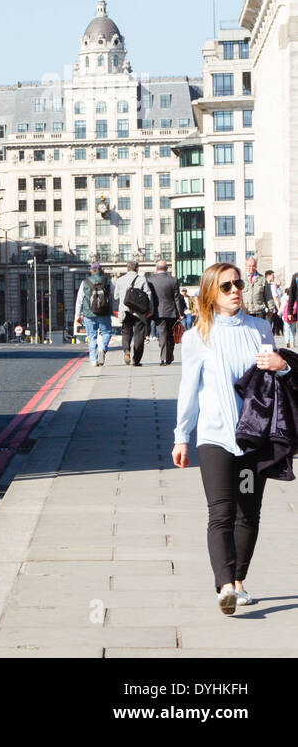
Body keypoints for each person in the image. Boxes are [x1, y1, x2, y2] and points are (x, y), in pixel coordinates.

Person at [173, 261, 290, 614]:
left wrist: (280, 366)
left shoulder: (259, 330)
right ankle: (224, 586)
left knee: (248, 514)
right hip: (215, 438)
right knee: (220, 513)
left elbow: (276, 382)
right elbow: (188, 391)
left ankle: (238, 581)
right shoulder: (197, 337)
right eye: (226, 286)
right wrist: (181, 437)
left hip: (253, 439)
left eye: (237, 283)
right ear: (210, 293)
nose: (235, 290)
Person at [74, 261, 113, 366]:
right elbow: (113, 296)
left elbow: (79, 300)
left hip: (88, 314)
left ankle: (93, 360)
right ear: (101, 270)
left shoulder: (85, 282)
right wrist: (113, 309)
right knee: (107, 333)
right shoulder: (107, 280)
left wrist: (77, 316)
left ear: (91, 271)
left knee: (91, 336)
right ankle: (102, 347)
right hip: (104, 312)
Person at [113, 261, 152, 366]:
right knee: (139, 335)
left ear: (127, 268)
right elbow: (148, 295)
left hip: (125, 311)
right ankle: (137, 360)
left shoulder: (120, 280)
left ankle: (126, 350)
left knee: (126, 332)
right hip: (139, 311)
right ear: (137, 269)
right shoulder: (142, 279)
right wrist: (149, 310)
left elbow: (116, 297)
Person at [148, 259, 185, 366]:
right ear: (167, 269)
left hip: (157, 312)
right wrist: (180, 313)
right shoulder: (173, 280)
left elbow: (149, 297)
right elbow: (177, 299)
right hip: (171, 312)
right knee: (170, 335)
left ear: (156, 269)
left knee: (162, 334)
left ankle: (164, 357)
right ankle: (169, 355)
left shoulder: (150, 280)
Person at [242, 257, 274, 321]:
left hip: (259, 313)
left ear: (256, 266)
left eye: (253, 266)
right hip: (245, 312)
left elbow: (268, 296)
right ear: (246, 266)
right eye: (249, 266)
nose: (251, 268)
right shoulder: (241, 279)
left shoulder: (262, 279)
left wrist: (270, 309)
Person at [267, 270, 284, 337]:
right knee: (269, 325)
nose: (274, 277)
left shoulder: (267, 285)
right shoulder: (272, 286)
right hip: (270, 309)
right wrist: (280, 310)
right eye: (273, 276)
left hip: (266, 309)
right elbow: (275, 298)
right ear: (268, 276)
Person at [283, 273, 298, 348]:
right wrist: (290, 311)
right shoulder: (296, 277)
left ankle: (290, 342)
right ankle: (290, 342)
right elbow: (292, 295)